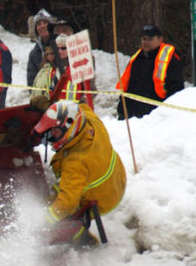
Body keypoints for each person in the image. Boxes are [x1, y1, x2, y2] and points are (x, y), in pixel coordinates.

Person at [32, 100, 126, 246]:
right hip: (115, 176)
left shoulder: (75, 162)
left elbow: (67, 203)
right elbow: (80, 106)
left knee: (54, 199)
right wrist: (51, 107)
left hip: (103, 198)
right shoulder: (89, 120)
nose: (51, 136)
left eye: (55, 132)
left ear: (70, 128)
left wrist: (45, 220)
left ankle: (81, 238)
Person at [116, 24, 184, 119]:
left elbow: (176, 89)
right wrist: (122, 112)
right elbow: (128, 87)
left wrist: (167, 115)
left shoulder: (169, 58)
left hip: (156, 119)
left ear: (160, 39)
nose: (146, 42)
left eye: (150, 39)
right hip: (132, 118)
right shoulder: (136, 58)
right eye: (144, 39)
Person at [26, 10, 56, 85]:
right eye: (39, 24)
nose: (42, 26)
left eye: (45, 23)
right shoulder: (34, 54)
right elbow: (31, 81)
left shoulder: (62, 47)